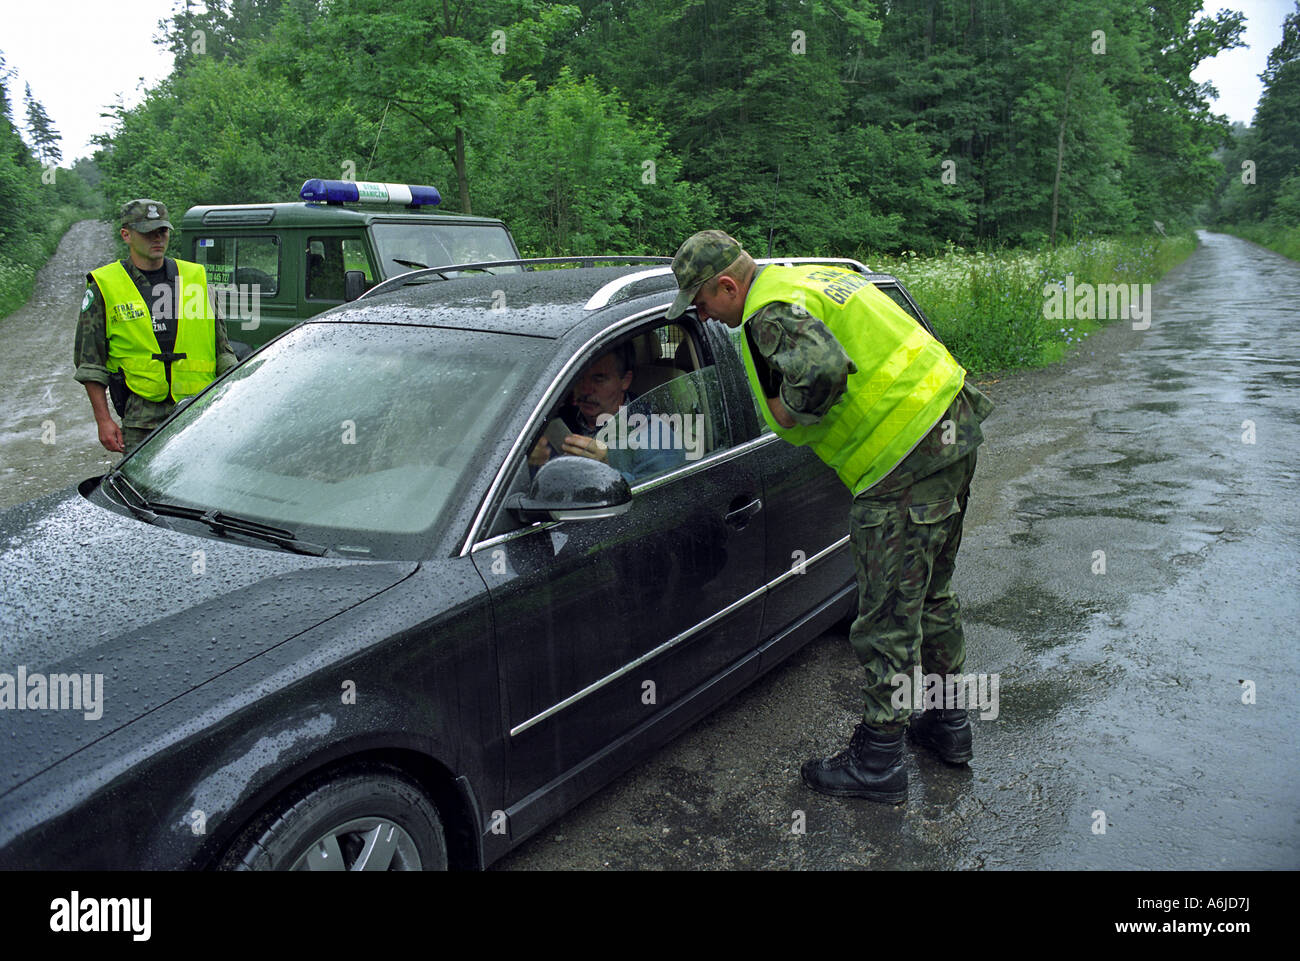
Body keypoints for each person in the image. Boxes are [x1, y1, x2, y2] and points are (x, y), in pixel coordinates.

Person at [665, 229, 994, 804]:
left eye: (700, 303)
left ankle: (879, 761)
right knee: (931, 594)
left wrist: (788, 413)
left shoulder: (767, 309)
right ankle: (947, 726)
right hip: (950, 427)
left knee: (886, 613)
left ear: (725, 284)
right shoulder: (809, 277)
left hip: (902, 457)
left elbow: (821, 372)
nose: (704, 316)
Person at [74, 199, 238, 454]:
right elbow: (90, 364)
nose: (157, 238)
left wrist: (237, 386)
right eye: (147, 232)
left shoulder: (195, 278)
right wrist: (103, 420)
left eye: (162, 231)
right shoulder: (105, 286)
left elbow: (222, 349)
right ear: (126, 235)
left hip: (198, 411)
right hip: (142, 420)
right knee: (144, 491)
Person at [528, 343, 684, 484]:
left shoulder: (655, 435)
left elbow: (661, 502)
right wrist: (531, 463)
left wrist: (607, 473)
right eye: (580, 377)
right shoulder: (552, 422)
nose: (586, 389)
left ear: (625, 381)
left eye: (599, 379)